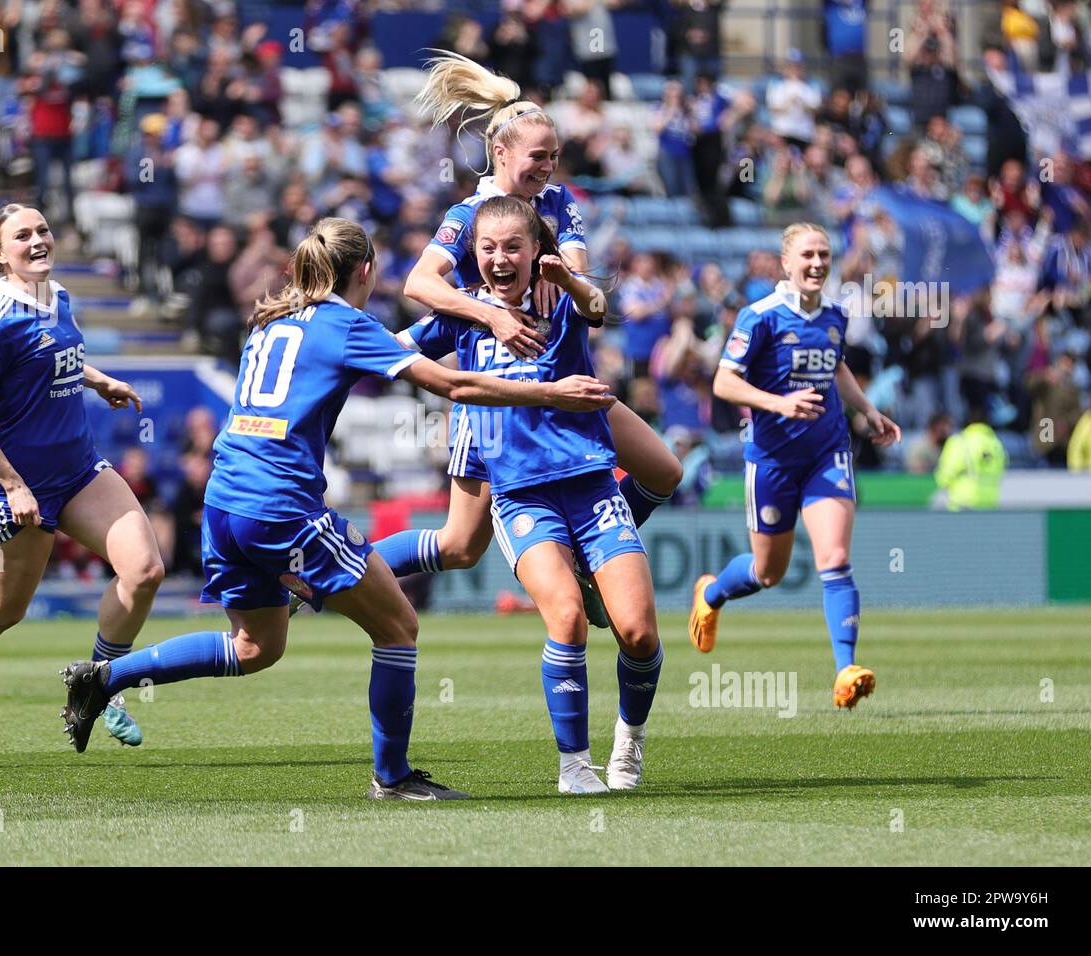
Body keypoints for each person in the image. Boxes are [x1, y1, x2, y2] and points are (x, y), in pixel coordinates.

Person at [57, 217, 615, 800]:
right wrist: (553, 391)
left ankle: (102, 678)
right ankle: (393, 778)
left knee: (255, 648)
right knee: (398, 626)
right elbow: (455, 388)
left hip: (224, 501)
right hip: (281, 507)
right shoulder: (348, 324)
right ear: (366, 271)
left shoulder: (269, 321)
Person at [385, 52, 682, 625]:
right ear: (501, 154)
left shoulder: (557, 201)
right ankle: (343, 566)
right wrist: (490, 315)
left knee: (664, 471)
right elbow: (421, 283)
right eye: (538, 157)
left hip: (563, 378)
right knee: (459, 546)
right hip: (499, 389)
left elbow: (582, 277)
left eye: (554, 156)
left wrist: (566, 278)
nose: (549, 167)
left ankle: (592, 566)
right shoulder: (470, 213)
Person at [399, 196, 664, 793]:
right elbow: (395, 349)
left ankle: (630, 739)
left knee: (640, 634)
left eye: (512, 246)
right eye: (487, 248)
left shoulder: (557, 298)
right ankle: (575, 767)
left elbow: (599, 305)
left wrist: (566, 276)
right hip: (521, 495)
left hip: (592, 484)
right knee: (566, 617)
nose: (498, 258)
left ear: (535, 251)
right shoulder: (465, 315)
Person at [0, 203, 163, 763]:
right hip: (16, 488)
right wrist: (12, 483)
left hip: (78, 471)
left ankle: (98, 683)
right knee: (4, 610)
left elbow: (59, 361)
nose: (38, 240)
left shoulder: (61, 299)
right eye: (22, 235)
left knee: (145, 570)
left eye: (43, 230)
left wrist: (99, 381)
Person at [688, 223, 901, 709]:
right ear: (786, 263)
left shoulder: (835, 315)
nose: (817, 263)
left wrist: (866, 411)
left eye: (824, 254)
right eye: (807, 255)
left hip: (828, 453)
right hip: (772, 461)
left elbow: (837, 365)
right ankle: (713, 591)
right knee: (768, 573)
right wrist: (778, 404)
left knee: (835, 559)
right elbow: (724, 382)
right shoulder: (759, 316)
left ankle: (846, 668)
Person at [934, 404, 1006, 509]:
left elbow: (945, 475)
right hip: (990, 505)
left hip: (963, 504)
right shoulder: (996, 444)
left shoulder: (960, 442)